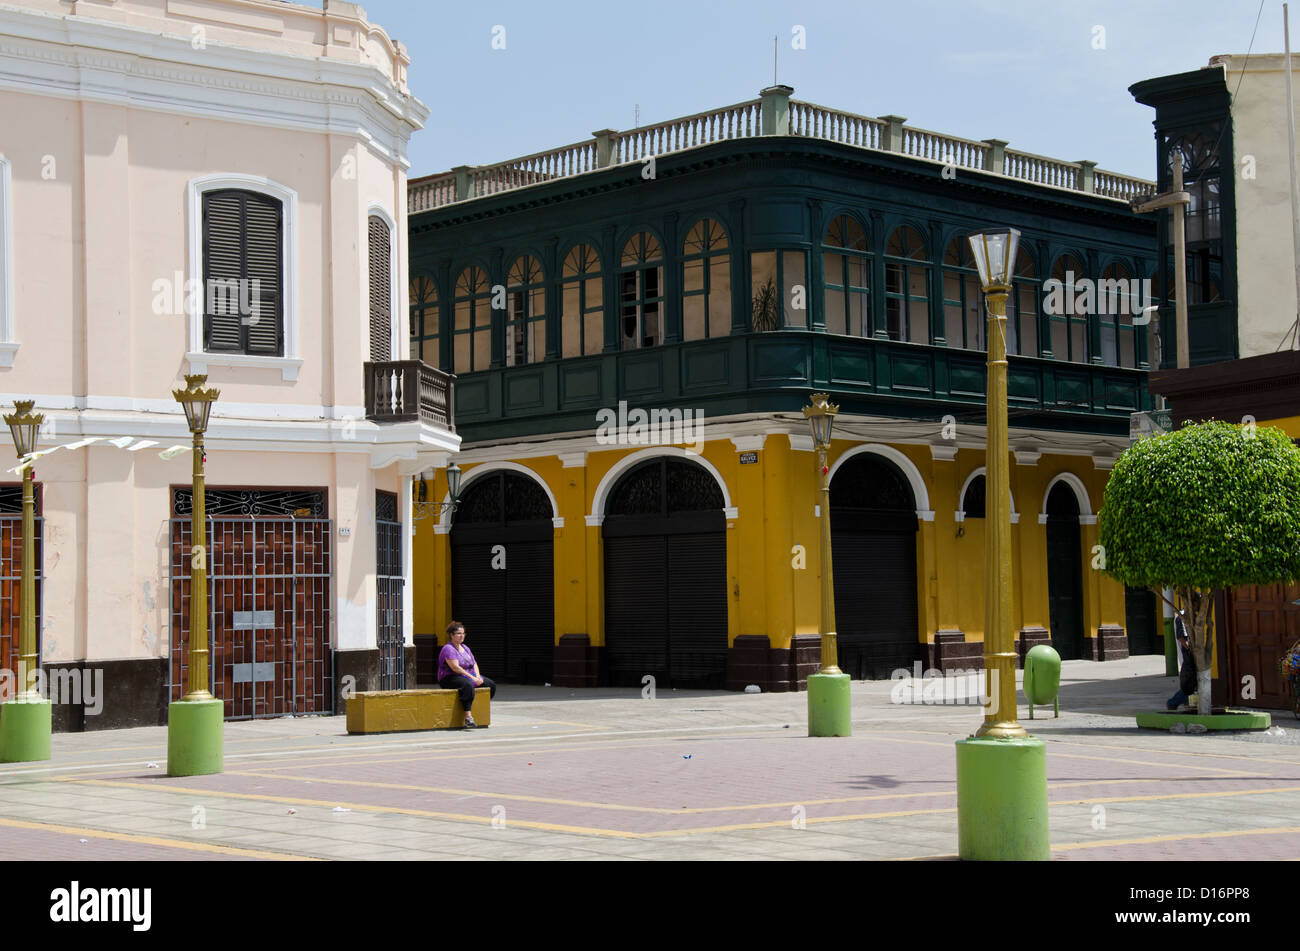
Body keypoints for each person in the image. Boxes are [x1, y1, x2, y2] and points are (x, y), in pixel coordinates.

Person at [437, 621, 496, 727]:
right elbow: (455, 668)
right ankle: (468, 717)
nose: (462, 636)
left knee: (490, 684)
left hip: (468, 675)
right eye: (459, 633)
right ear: (451, 635)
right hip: (450, 677)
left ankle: (478, 708)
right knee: (467, 685)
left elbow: (474, 663)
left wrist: (477, 676)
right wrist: (472, 678)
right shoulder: (448, 648)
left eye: (463, 633)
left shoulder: (465, 647)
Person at [1166, 611, 1197, 710]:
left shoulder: (1194, 614)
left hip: (1191, 655)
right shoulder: (1181, 616)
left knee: (1194, 684)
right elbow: (1181, 637)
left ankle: (1183, 702)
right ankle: (1173, 702)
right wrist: (1191, 650)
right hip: (1188, 657)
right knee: (1190, 684)